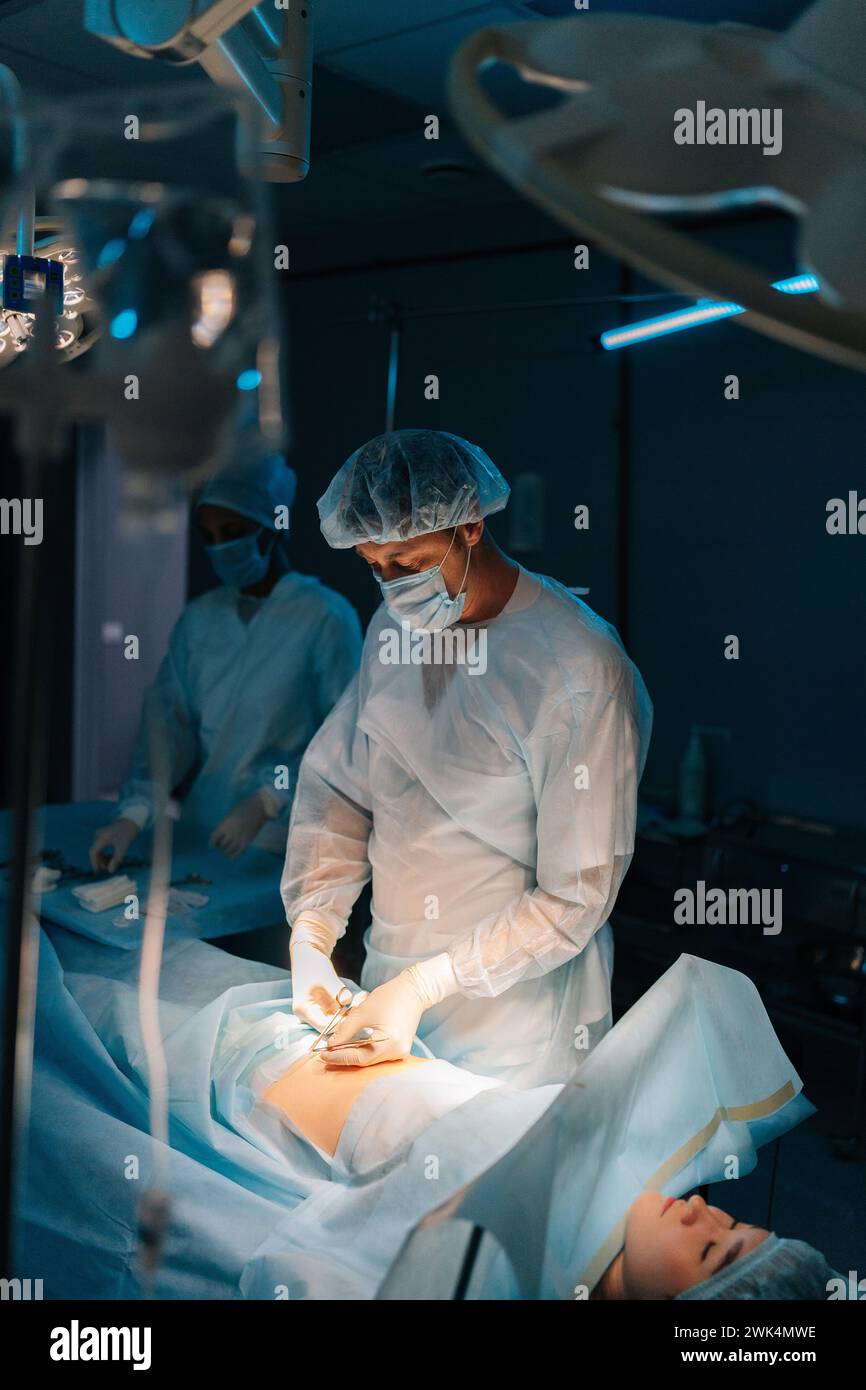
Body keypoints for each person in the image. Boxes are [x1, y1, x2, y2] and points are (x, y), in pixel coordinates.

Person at [281, 428, 652, 1085]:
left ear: (471, 526)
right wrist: (313, 931)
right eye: (376, 567)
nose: (393, 588)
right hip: (385, 983)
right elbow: (342, 784)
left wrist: (428, 985)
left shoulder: (576, 668)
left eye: (410, 563)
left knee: (490, 1179)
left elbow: (575, 896)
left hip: (515, 1022)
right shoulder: (393, 629)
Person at [89, 452, 362, 872]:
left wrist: (268, 797)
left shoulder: (324, 617)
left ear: (271, 527)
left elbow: (345, 739)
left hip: (288, 842)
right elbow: (168, 727)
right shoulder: (200, 619)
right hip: (203, 831)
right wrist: (134, 814)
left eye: (233, 532)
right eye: (209, 536)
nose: (220, 548)